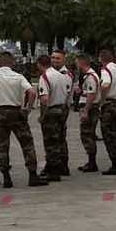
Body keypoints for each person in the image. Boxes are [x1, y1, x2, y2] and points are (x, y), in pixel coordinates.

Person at [0, 51, 47, 188]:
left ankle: (6, 178)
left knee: (2, 146)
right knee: (27, 144)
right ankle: (32, 175)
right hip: (16, 112)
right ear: (12, 63)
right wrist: (28, 108)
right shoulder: (18, 76)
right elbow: (32, 92)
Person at [37, 51, 74, 180]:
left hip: (51, 111)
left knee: (51, 142)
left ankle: (53, 172)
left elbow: (45, 99)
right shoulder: (65, 75)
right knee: (60, 139)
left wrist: (42, 115)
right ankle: (63, 167)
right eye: (53, 58)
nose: (55, 60)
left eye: (58, 58)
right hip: (61, 109)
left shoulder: (45, 77)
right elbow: (69, 95)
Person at [76, 54, 101, 172]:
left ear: (82, 63)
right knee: (87, 135)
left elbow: (91, 94)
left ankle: (92, 163)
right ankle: (91, 161)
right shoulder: (88, 76)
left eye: (77, 63)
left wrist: (86, 110)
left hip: (90, 108)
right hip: (89, 107)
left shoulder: (91, 76)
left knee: (87, 135)